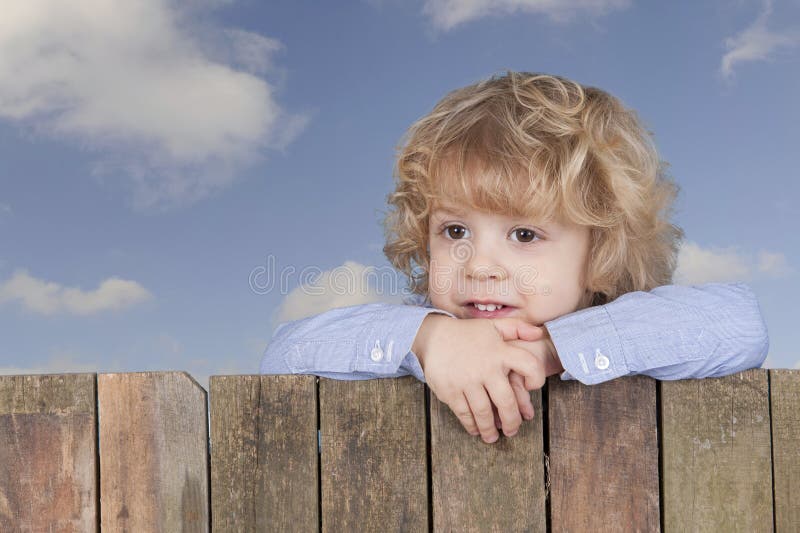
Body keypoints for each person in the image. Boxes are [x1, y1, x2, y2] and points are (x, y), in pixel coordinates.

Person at [260, 71, 769, 445]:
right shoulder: (418, 336)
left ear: (602, 251)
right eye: (455, 230)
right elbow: (282, 358)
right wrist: (429, 339)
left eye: (524, 234)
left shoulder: (640, 331)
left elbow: (742, 328)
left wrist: (556, 348)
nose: (480, 265)